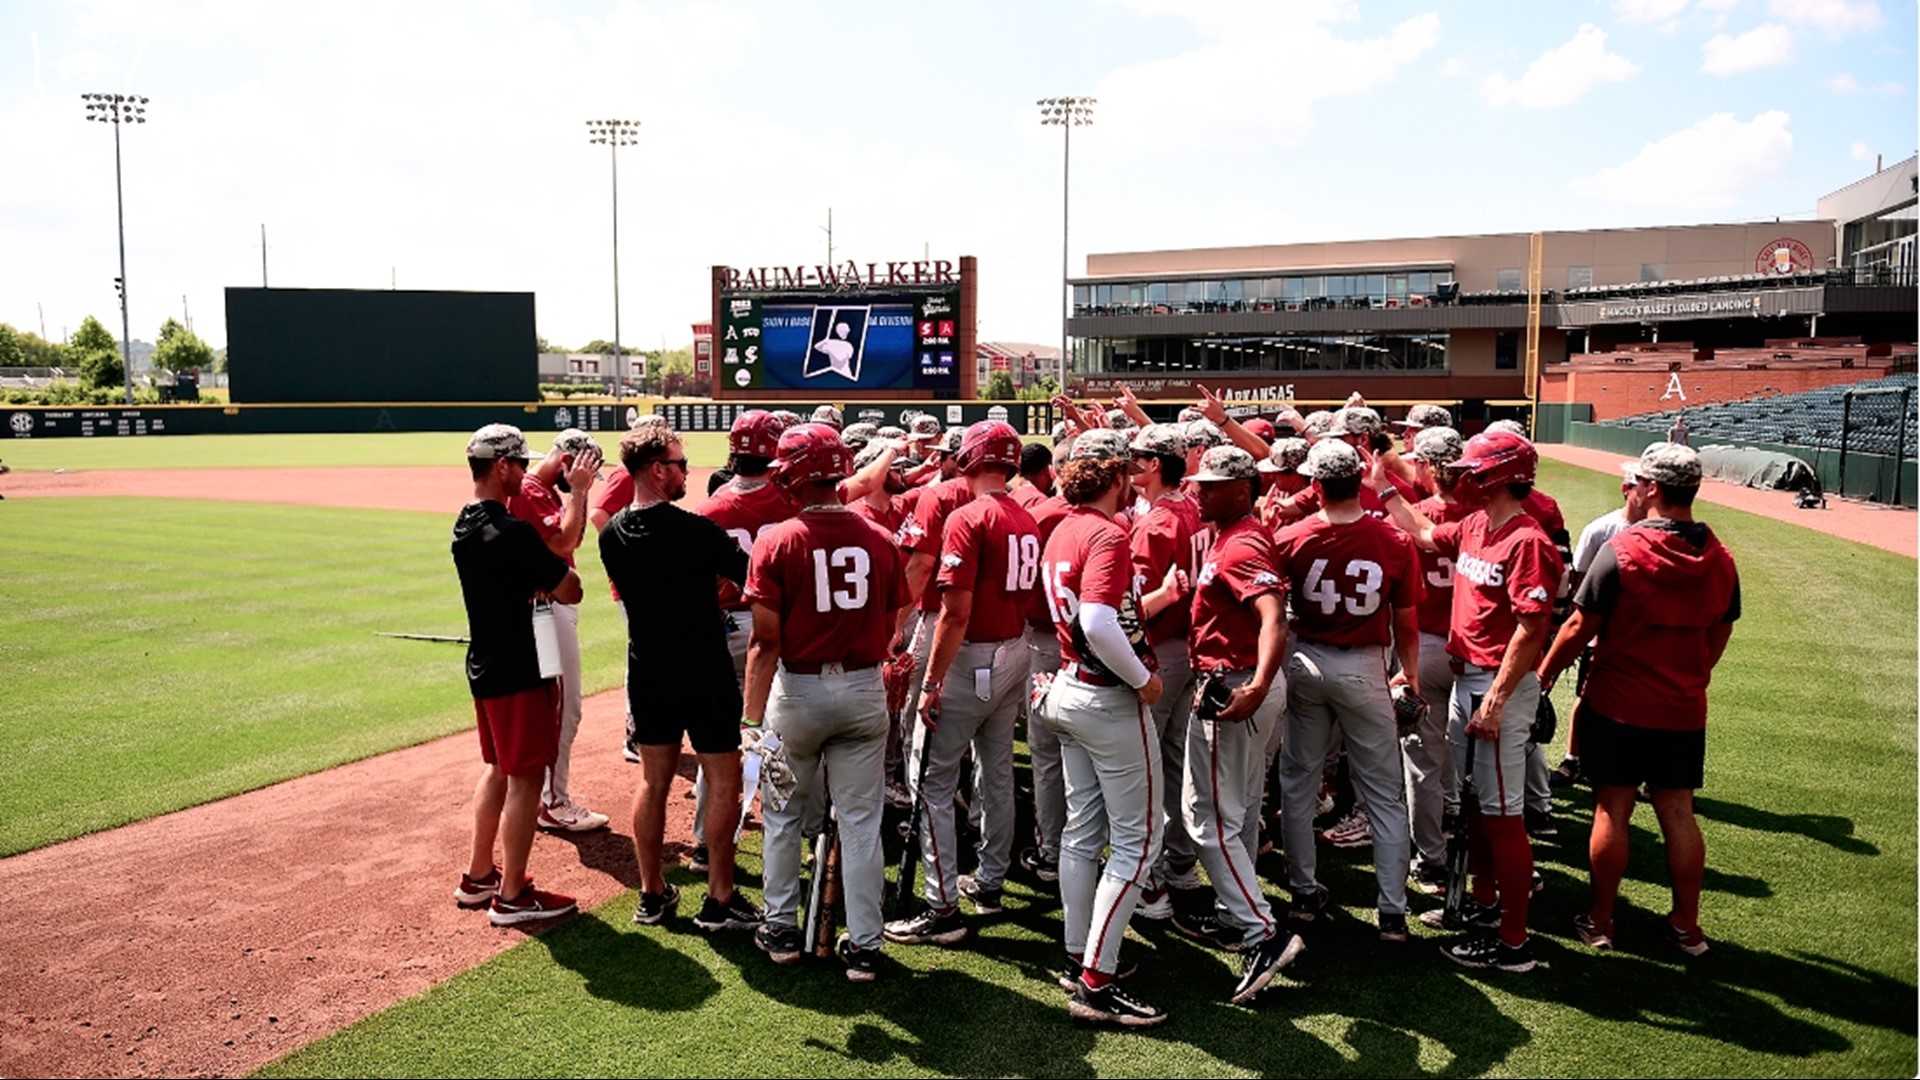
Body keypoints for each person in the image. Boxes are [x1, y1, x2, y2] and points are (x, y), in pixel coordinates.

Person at [1373, 428, 1562, 973]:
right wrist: (1384, 487)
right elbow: (1426, 532)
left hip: (1496, 685)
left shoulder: (1527, 539)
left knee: (1503, 817)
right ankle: (1483, 904)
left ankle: (1514, 943)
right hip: (1467, 680)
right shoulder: (1480, 523)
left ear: (1501, 476)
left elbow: (1532, 628)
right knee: (1478, 809)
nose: (1463, 476)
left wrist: (1498, 699)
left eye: (1475, 469)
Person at [1538, 443, 1738, 956]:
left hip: (1619, 702)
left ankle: (1600, 919)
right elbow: (1720, 634)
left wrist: (1541, 676)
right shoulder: (1720, 557)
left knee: (1612, 810)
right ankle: (1686, 927)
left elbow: (1581, 626)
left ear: (1651, 488)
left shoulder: (1623, 549)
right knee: (1678, 812)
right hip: (1683, 706)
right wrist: (1692, 675)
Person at [742, 424, 910, 982]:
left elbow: (765, 643)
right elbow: (892, 624)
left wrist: (749, 719)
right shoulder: (879, 537)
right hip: (863, 688)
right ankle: (864, 946)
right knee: (862, 822)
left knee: (785, 816)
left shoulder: (778, 538)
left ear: (790, 475)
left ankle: (781, 928)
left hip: (798, 692)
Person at [599, 421, 763, 933]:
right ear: (656, 470)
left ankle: (651, 894)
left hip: (648, 668)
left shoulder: (612, 536)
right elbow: (751, 575)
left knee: (652, 781)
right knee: (722, 777)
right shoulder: (696, 531)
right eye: (679, 464)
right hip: (705, 666)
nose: (687, 472)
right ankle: (719, 897)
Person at [885, 421, 1039, 946]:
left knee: (931, 781)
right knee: (995, 770)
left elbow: (953, 614)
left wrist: (930, 683)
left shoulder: (969, 515)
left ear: (969, 458)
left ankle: (942, 907)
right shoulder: (1027, 513)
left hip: (972, 654)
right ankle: (991, 880)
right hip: (1015, 649)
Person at [1036, 451, 1168, 1025]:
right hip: (1105, 696)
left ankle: (1077, 953)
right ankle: (1095, 981)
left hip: (1068, 685)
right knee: (1139, 844)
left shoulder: (1063, 527)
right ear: (1114, 482)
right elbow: (1096, 620)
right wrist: (1142, 679)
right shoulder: (1107, 534)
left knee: (1082, 831)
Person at [1273, 439, 1423, 942]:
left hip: (1306, 659)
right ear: (1360, 480)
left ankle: (1303, 892)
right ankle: (1393, 911)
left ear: (1315, 484)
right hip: (1365, 664)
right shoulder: (1394, 540)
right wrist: (1411, 677)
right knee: (1383, 791)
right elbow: (1406, 622)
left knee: (1298, 781)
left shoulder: (1290, 535)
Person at [1177, 445, 1305, 1003]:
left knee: (1206, 816)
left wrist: (1254, 685)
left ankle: (1262, 932)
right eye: (1198, 483)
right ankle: (1242, 912)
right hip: (1242, 681)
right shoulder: (1237, 534)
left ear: (1243, 488)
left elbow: (1273, 617)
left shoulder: (1242, 541)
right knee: (1240, 810)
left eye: (1210, 484)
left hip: (1234, 684)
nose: (1198, 491)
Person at [450, 423, 583, 927]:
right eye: (521, 463)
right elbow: (570, 587)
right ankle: (511, 895)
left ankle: (479, 873)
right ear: (502, 466)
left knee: (499, 769)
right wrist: (547, 582)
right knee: (526, 776)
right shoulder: (513, 532)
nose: (526, 472)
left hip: (484, 663)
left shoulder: (465, 525)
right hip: (521, 667)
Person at [1018, 429, 1130, 886]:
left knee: (1050, 756)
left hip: (1045, 639)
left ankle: (1053, 848)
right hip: (1093, 650)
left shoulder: (1044, 513)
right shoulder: (1110, 528)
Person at [503, 429, 612, 834]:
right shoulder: (531, 492)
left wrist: (575, 495)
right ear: (567, 462)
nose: (585, 481)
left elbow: (569, 541)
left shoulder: (541, 492)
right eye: (583, 472)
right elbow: (566, 540)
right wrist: (579, 494)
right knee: (564, 708)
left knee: (561, 706)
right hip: (545, 609)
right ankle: (553, 801)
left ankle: (549, 796)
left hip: (550, 607)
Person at [1125, 423, 1208, 918]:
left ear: (1156, 464)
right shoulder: (1192, 507)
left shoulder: (1156, 523)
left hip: (1160, 652)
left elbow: (1137, 606)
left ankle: (1151, 878)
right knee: (1177, 766)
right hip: (1188, 648)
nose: (1130, 464)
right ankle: (1179, 863)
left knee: (1144, 772)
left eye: (1137, 457)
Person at [1399, 426, 1471, 895]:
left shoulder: (1415, 517)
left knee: (1422, 759)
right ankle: (1483, 859)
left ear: (1426, 466)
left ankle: (1430, 858)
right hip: (1473, 649)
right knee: (1474, 764)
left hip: (1424, 645)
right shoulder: (1487, 518)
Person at [1550, 460, 1650, 787]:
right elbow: (1578, 582)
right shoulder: (1601, 529)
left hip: (1641, 634)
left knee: (1642, 702)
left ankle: (1645, 770)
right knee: (1587, 695)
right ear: (1627, 489)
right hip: (1601, 632)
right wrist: (1580, 630)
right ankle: (1573, 759)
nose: (1648, 493)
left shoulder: (1659, 531)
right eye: (1641, 486)